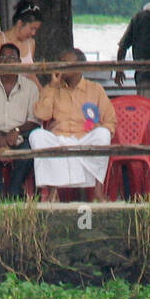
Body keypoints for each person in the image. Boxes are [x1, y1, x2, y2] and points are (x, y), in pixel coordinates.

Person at [29, 49, 116, 201]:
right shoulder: (52, 88)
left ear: (79, 68)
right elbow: (42, 115)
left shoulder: (95, 89)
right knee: (36, 135)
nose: (60, 66)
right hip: (59, 140)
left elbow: (110, 121)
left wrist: (96, 129)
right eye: (60, 62)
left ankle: (98, 190)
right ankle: (52, 191)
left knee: (103, 135)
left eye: (65, 63)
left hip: (85, 139)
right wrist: (53, 87)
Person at [0, 42, 40, 199]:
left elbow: (34, 120)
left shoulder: (30, 87)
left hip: (19, 136)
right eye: (4, 58)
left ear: (19, 62)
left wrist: (17, 131)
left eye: (12, 58)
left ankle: (13, 193)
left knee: (29, 149)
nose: (7, 62)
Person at [0, 0, 41, 67]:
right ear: (19, 23)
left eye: (36, 30)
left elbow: (30, 73)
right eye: (32, 28)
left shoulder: (31, 43)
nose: (33, 33)